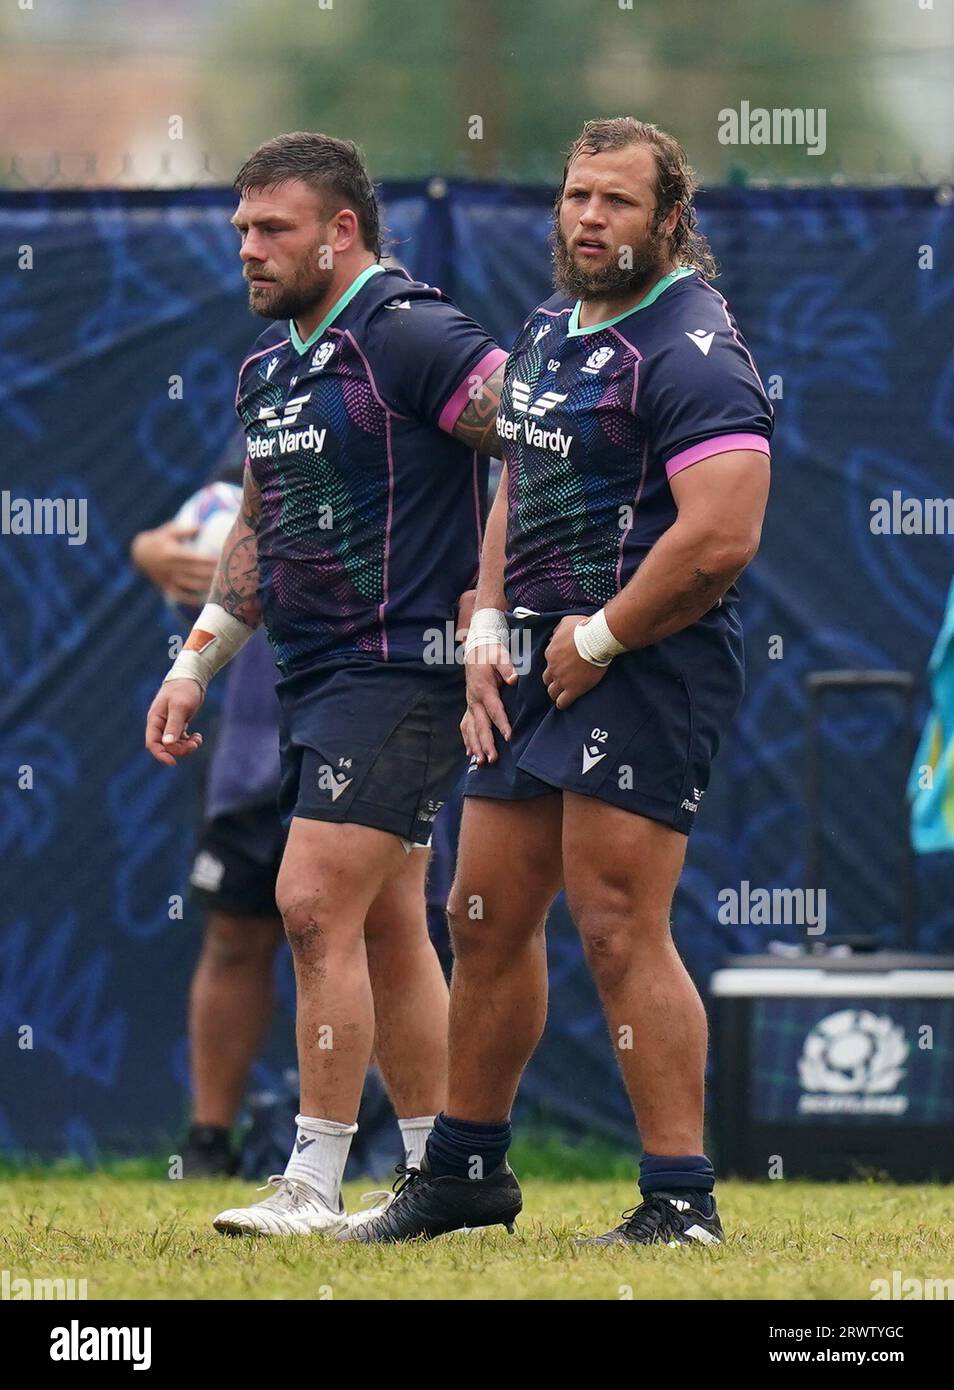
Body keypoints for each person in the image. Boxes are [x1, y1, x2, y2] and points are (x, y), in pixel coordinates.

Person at [345, 117, 772, 1246]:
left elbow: (724, 533)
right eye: (578, 196)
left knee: (623, 922)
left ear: (669, 219)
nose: (589, 219)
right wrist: (488, 619)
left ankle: (680, 1202)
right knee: (479, 914)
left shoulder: (691, 344)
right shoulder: (547, 327)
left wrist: (604, 639)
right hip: (534, 662)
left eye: (618, 202)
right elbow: (517, 489)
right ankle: (464, 1174)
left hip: (649, 658)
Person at [144, 131, 506, 1236]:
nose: (249, 250)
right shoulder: (272, 366)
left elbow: (543, 439)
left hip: (401, 666)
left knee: (307, 902)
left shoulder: (413, 333)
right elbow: (256, 528)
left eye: (274, 230)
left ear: (341, 231)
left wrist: (492, 602)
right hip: (311, 674)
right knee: (390, 920)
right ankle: (447, 1175)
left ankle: (311, 1178)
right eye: (242, 229)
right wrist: (196, 662)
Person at [132, 464, 285, 1179]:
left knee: (385, 934)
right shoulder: (286, 390)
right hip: (254, 748)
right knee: (233, 934)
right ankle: (206, 1143)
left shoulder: (426, 392)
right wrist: (151, 548)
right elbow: (215, 512)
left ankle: (407, 1145)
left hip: (385, 723)